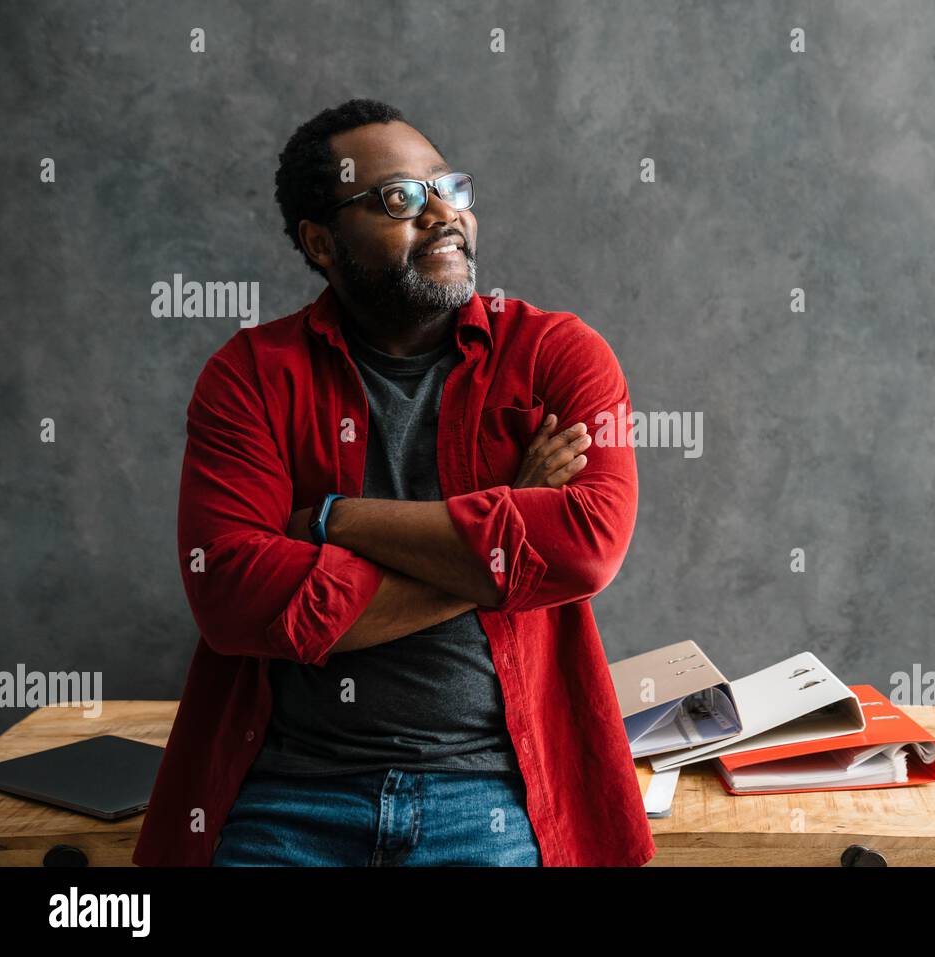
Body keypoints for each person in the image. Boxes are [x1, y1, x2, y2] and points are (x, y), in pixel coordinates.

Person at [132, 99, 655, 867]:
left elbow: (584, 549)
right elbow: (235, 596)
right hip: (288, 796)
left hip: (491, 797)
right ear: (321, 242)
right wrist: (502, 537)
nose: (442, 213)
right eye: (400, 199)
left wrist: (334, 520)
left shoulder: (557, 356)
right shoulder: (248, 378)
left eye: (449, 187)